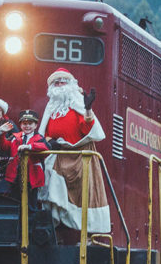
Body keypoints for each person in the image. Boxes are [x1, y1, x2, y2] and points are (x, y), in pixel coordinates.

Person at [37, 68, 110, 234]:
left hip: (79, 155)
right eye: (57, 81)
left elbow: (86, 128)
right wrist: (49, 141)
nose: (60, 83)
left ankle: (87, 234)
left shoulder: (78, 103)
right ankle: (56, 229)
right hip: (57, 155)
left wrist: (88, 109)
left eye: (63, 80)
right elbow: (45, 132)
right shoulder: (51, 108)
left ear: (70, 83)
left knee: (84, 194)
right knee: (50, 185)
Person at [0, 110, 49, 212]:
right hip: (15, 178)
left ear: (36, 125)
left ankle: (29, 228)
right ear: (21, 125)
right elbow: (2, 145)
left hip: (31, 179)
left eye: (30, 123)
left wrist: (29, 147)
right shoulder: (14, 137)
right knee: (15, 206)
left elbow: (46, 148)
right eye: (24, 123)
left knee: (31, 207)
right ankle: (17, 228)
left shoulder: (39, 138)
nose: (27, 126)